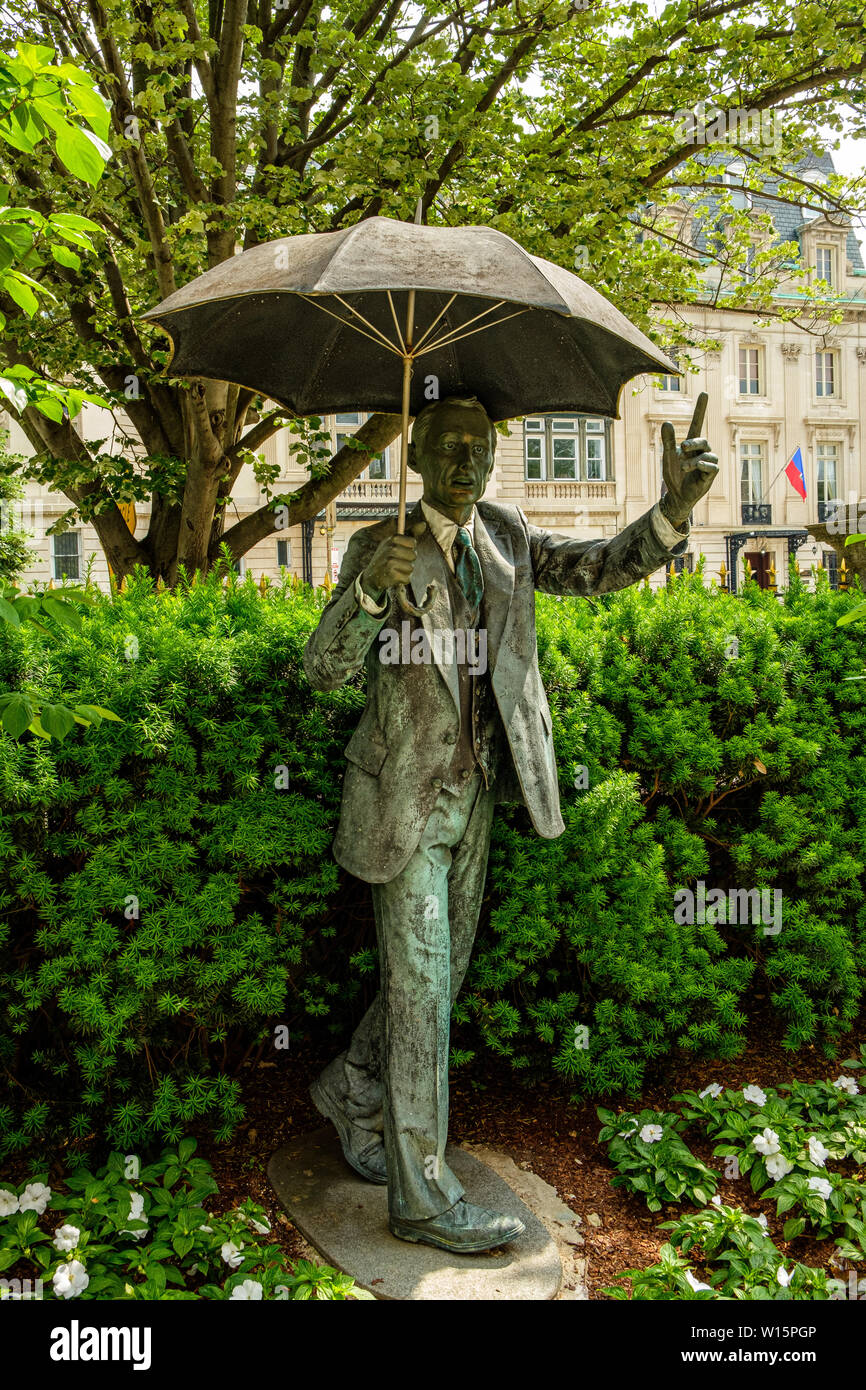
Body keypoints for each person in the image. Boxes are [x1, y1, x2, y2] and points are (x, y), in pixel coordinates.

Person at [303, 393, 717, 1253]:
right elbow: (324, 670)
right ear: (415, 452)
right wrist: (373, 596)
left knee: (435, 983)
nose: (467, 461)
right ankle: (422, 1198)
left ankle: (351, 1087)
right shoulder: (375, 547)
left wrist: (672, 509)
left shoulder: (509, 536)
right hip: (402, 801)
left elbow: (600, 567)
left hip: (478, 795)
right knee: (421, 993)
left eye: (480, 447)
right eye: (449, 445)